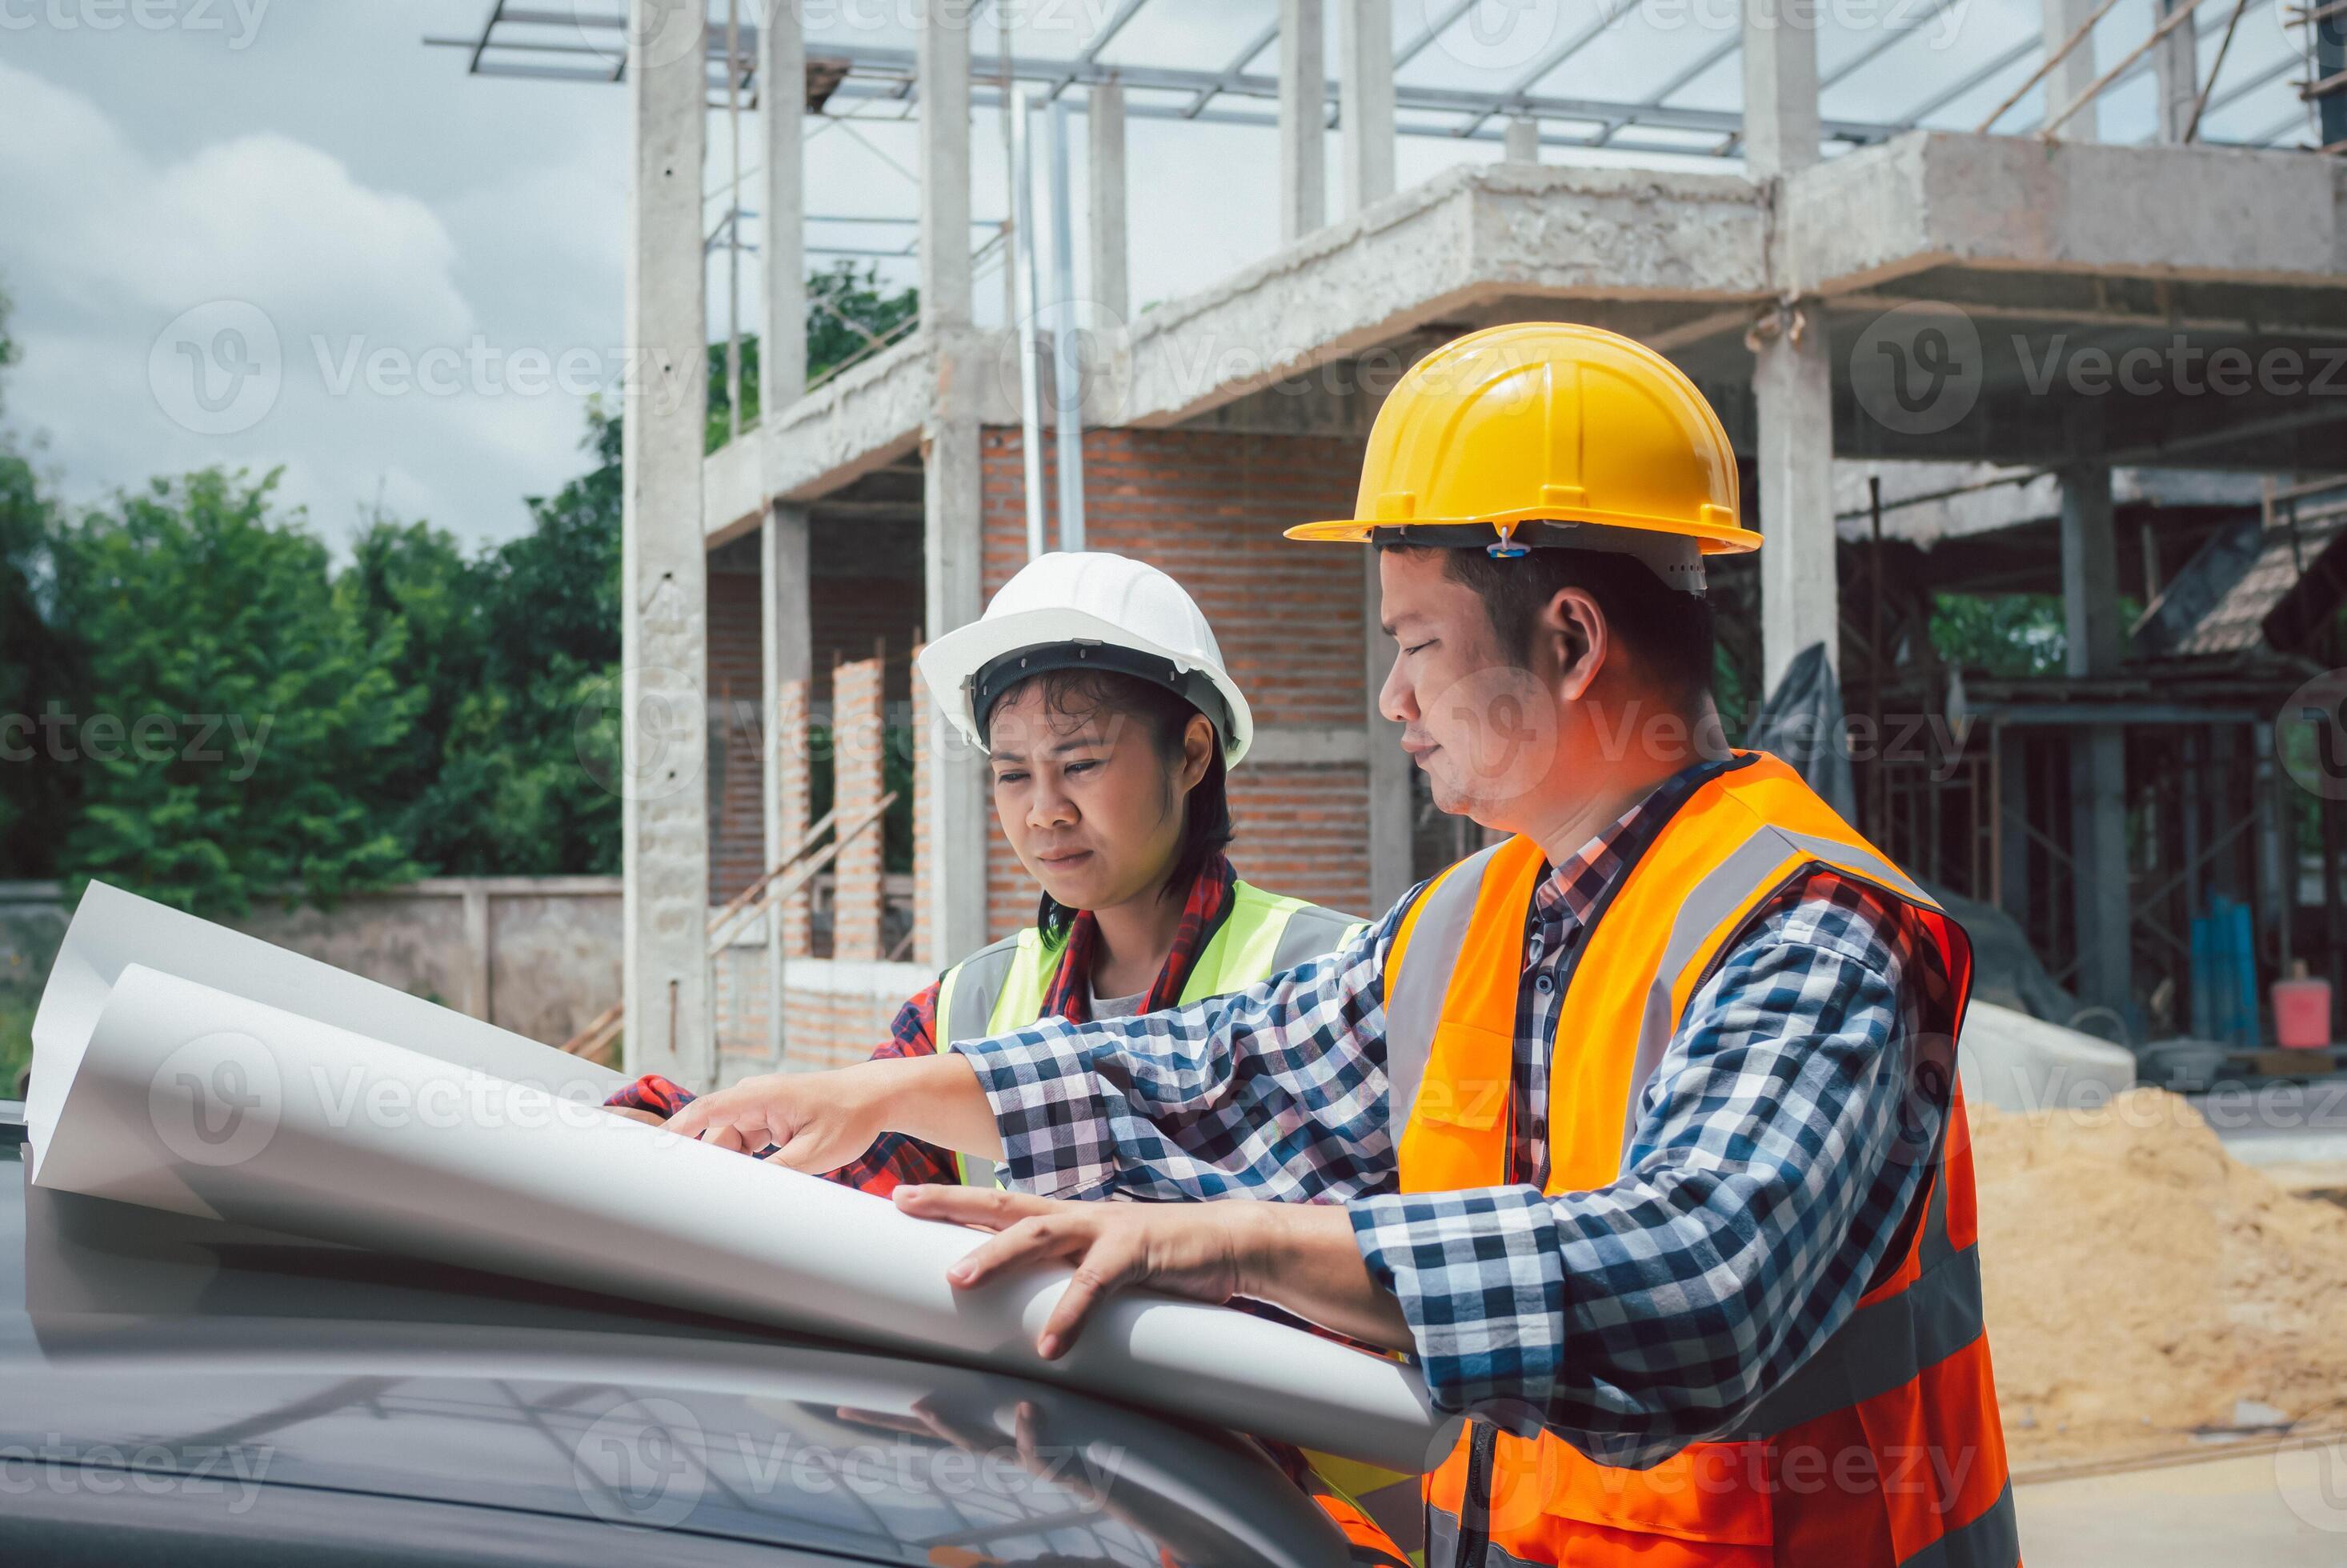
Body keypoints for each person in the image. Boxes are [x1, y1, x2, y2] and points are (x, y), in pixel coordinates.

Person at [662, 324, 2016, 1568]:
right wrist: (879, 1096)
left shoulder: (1813, 932)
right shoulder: (1470, 922)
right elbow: (1219, 1070)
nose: (1390, 698)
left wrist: (1226, 1244)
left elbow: (1693, 1282)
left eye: (1415, 644)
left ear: (1569, 639)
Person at [603, 550, 1412, 1566]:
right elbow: (841, 1200)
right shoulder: (966, 1008)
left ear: (1193, 751)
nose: (1043, 812)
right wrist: (671, 1135)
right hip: (1051, 1529)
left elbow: (1413, 1275)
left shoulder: (1330, 977)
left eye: (1079, 764)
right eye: (1010, 773)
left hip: (1310, 1535)